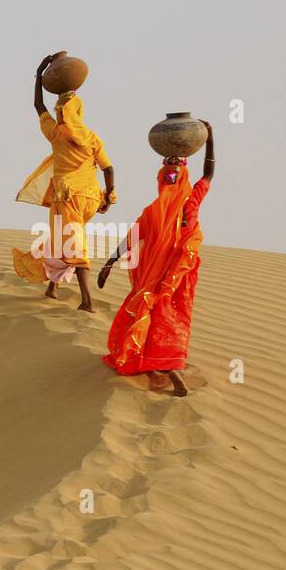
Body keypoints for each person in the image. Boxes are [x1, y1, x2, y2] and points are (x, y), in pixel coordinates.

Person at [98, 121, 214, 397]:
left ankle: (150, 362)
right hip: (181, 269)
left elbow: (131, 238)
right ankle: (172, 366)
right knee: (172, 313)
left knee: (147, 310)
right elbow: (209, 173)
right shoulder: (192, 200)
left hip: (153, 271)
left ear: (161, 180)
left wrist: (109, 262)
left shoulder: (152, 210)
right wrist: (210, 137)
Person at [12, 53, 116, 311]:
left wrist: (39, 75)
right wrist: (109, 196)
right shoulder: (92, 137)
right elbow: (108, 168)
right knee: (63, 238)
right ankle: (52, 286)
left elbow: (39, 106)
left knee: (73, 244)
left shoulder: (57, 133)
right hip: (90, 199)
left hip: (67, 197)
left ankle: (87, 301)